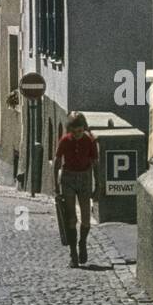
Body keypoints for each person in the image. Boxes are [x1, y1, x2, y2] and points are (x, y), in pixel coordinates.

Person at [53, 112, 98, 267]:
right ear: (69, 129)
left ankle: (82, 242)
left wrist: (98, 184)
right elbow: (57, 162)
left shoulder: (89, 141)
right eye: (74, 131)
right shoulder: (65, 141)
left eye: (80, 130)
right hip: (68, 179)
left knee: (86, 218)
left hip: (85, 179)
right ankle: (73, 253)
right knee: (71, 218)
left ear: (83, 128)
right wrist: (56, 186)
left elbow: (95, 163)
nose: (77, 134)